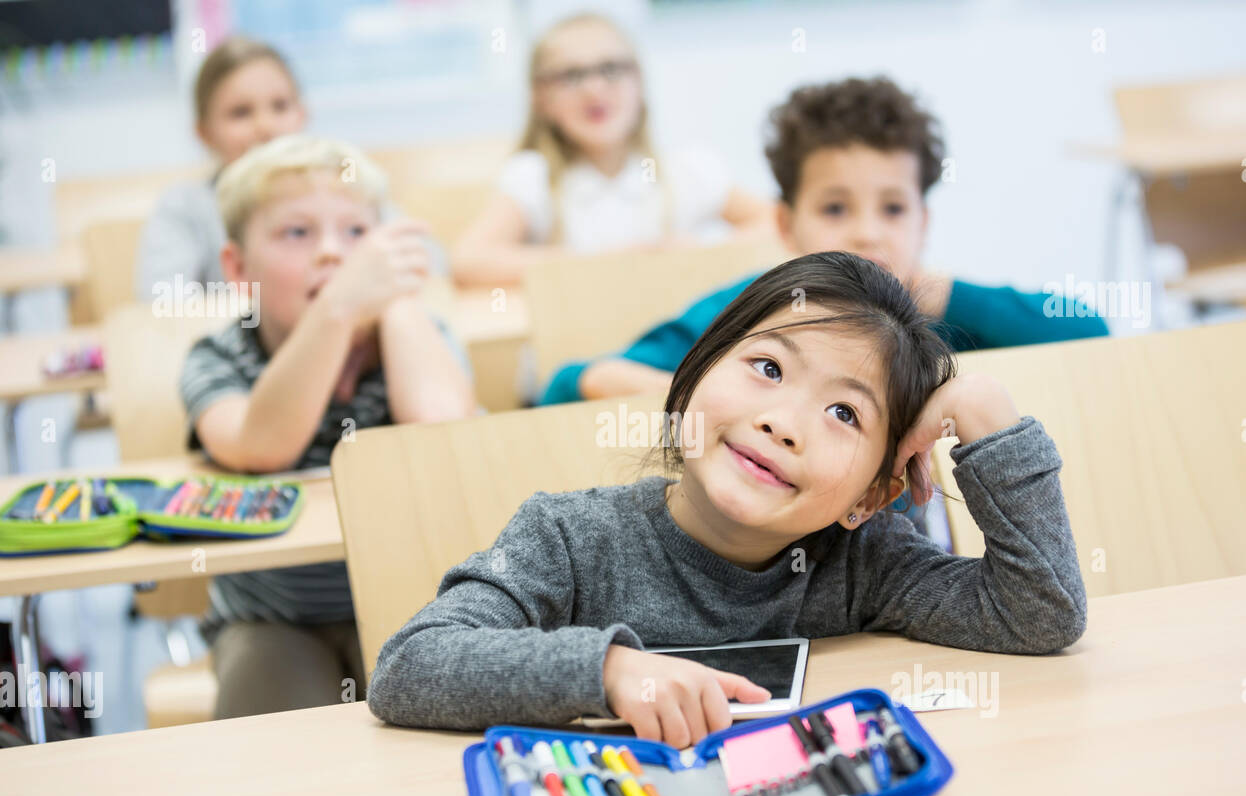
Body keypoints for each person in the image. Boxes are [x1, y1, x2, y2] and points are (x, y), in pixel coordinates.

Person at [367, 251, 1086, 748]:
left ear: (872, 495)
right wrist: (610, 672)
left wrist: (987, 415)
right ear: (692, 376)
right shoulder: (568, 539)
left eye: (845, 414)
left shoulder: (867, 561)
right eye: (767, 367)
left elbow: (1040, 613)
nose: (783, 423)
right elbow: (409, 668)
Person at [539, 76, 1110, 407]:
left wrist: (947, 297)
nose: (867, 230)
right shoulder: (752, 310)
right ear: (785, 225)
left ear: (923, 222)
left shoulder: (947, 315)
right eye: (835, 207)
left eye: (893, 208)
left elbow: (1090, 335)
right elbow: (568, 388)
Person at [180, 134, 478, 718]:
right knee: (274, 743)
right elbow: (261, 447)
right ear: (238, 268)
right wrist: (338, 308)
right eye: (297, 233)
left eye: (357, 234)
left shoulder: (419, 337)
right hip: (272, 619)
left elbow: (442, 433)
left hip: (420, 600)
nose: (333, 254)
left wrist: (393, 300)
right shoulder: (218, 358)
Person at [450, 11, 773, 286]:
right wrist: (602, 265)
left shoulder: (687, 170)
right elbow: (468, 259)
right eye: (571, 75)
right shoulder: (533, 178)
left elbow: (777, 223)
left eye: (611, 69)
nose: (594, 88)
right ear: (541, 98)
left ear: (640, 83)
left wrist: (698, 250)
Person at [135, 35, 307, 299]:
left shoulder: (349, 192)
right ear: (205, 133)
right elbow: (164, 303)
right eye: (240, 112)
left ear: (302, 115)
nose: (265, 126)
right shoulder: (185, 208)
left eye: (280, 106)